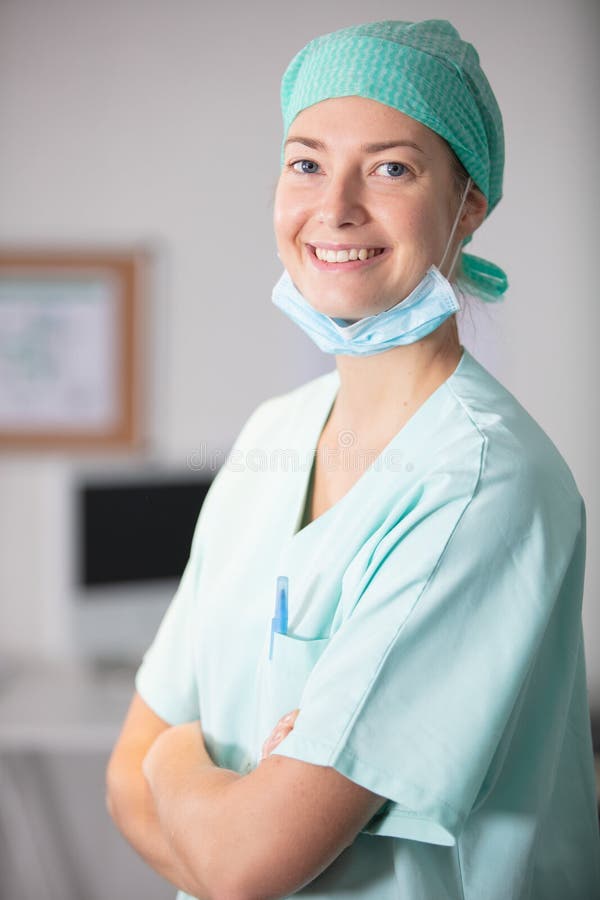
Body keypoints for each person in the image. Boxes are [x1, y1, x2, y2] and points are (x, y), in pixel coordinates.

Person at [106, 19, 600, 900]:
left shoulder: (483, 481)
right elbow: (121, 782)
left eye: (392, 167)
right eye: (305, 161)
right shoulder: (270, 437)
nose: (334, 207)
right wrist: (214, 797)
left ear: (470, 204)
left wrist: (174, 761)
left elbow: (243, 863)